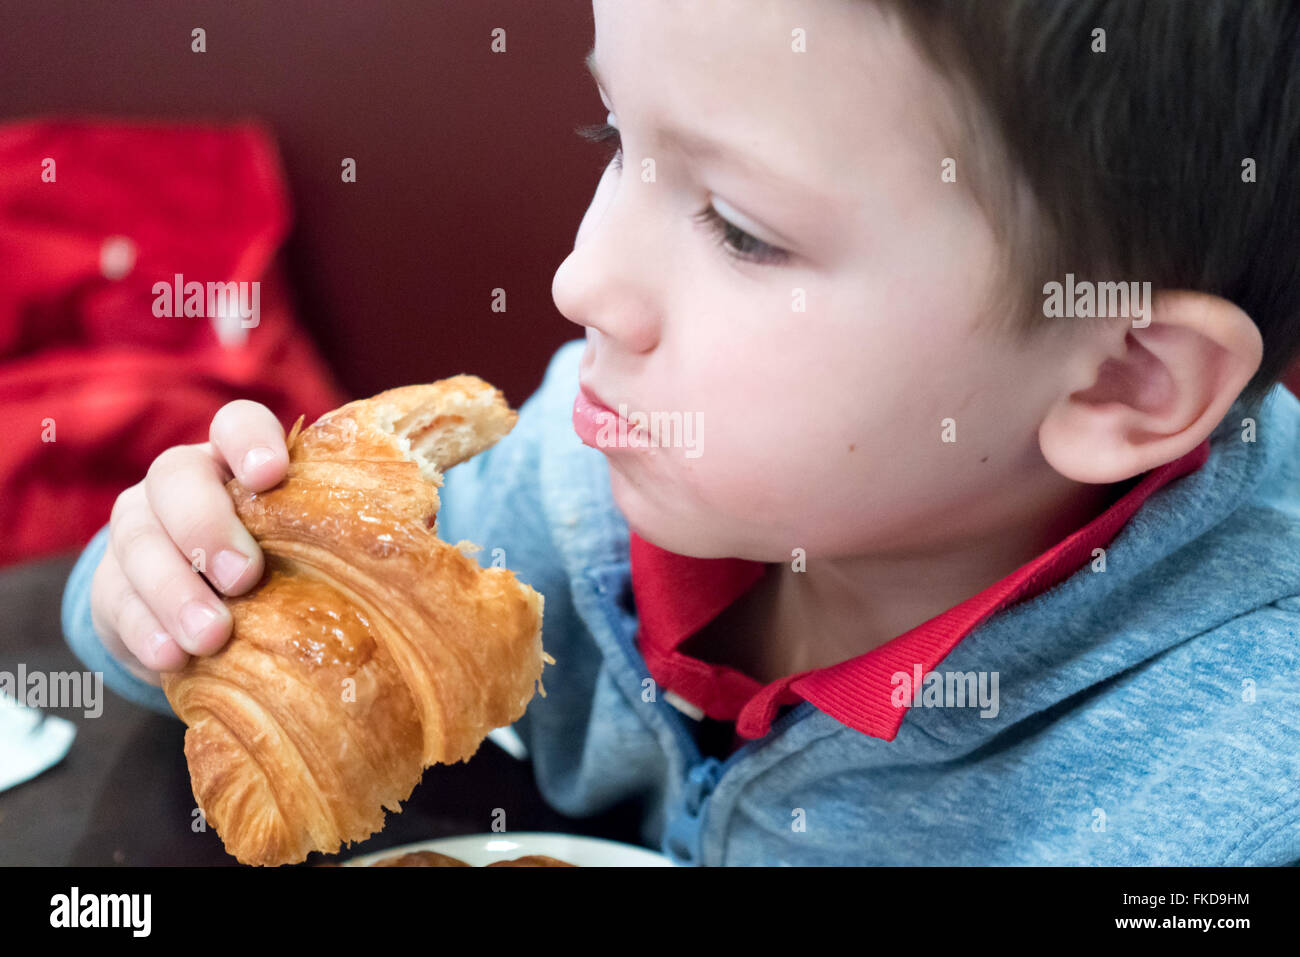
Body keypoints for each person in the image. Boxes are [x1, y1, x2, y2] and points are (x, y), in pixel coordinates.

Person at [62, 0, 1300, 864]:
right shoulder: (576, 477)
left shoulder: (1239, 795)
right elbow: (174, 654)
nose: (582, 280)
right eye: (613, 137)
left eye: (740, 226)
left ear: (1122, 382)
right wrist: (172, 590)